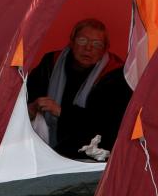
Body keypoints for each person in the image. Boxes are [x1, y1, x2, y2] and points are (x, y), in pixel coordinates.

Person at [27, 18, 132, 160]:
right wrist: (31, 108)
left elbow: (106, 123)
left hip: (90, 152)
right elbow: (29, 95)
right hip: (42, 145)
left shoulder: (116, 75)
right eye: (82, 41)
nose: (88, 48)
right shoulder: (50, 62)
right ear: (72, 41)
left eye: (97, 44)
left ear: (105, 49)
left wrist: (62, 112)